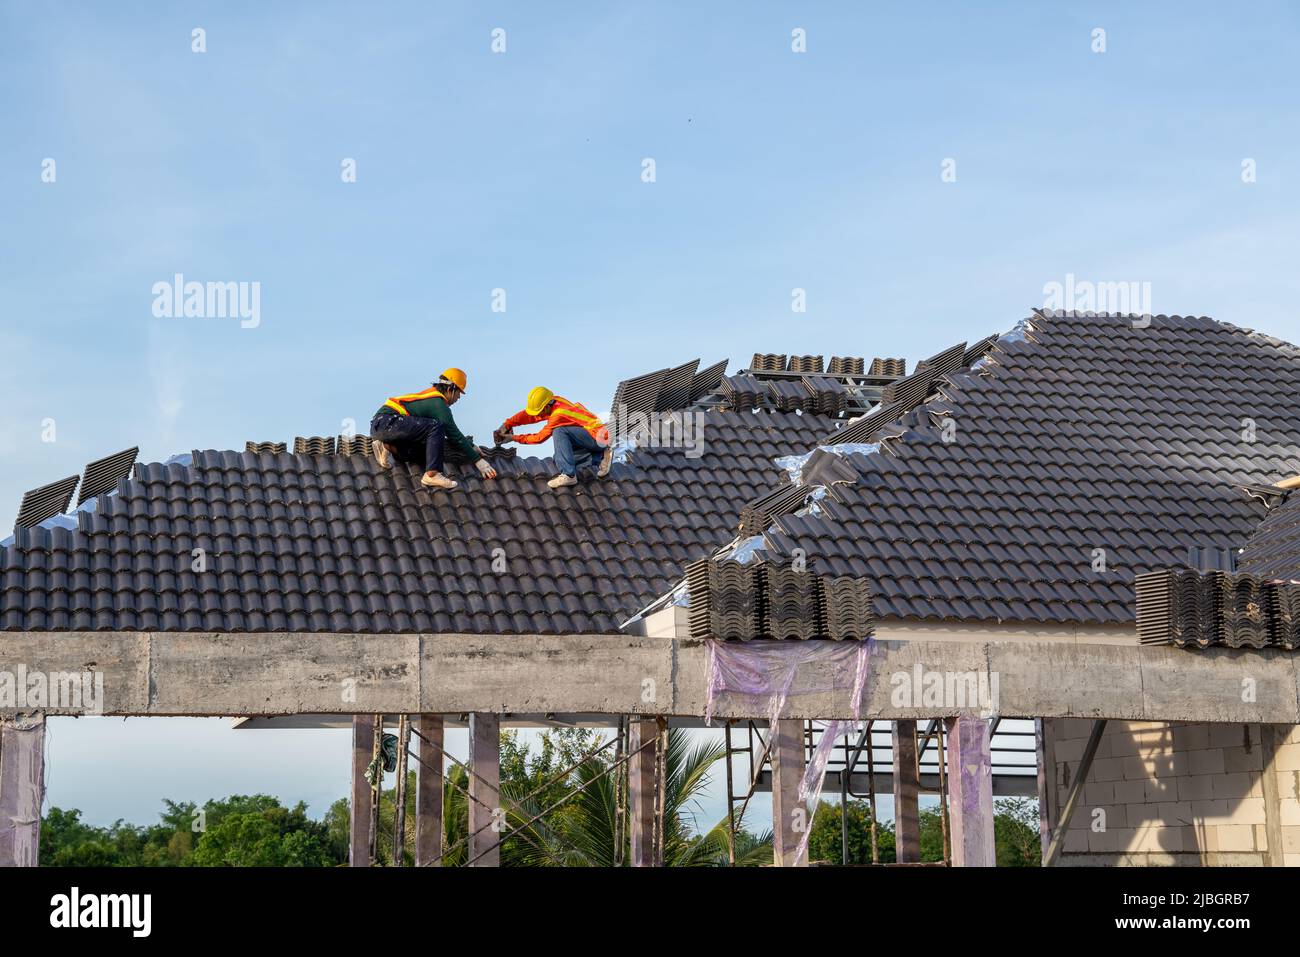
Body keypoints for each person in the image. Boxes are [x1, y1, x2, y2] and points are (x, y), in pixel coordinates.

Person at [370, 367, 497, 490]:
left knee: (426, 452)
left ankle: (387, 446)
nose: (458, 397)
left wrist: (470, 445)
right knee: (436, 426)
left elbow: (445, 436)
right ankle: (432, 474)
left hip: (385, 427)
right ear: (451, 388)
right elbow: (453, 433)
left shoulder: (433, 398)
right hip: (387, 422)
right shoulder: (438, 403)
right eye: (459, 392)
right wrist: (479, 461)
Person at [496, 386, 611, 489]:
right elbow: (529, 416)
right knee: (559, 458)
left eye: (539, 412)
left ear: (546, 406)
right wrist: (508, 424)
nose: (537, 415)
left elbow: (539, 438)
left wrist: (513, 438)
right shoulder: (554, 401)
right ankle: (600, 456)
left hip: (598, 437)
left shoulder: (558, 415)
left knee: (559, 432)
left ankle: (569, 475)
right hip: (590, 436)